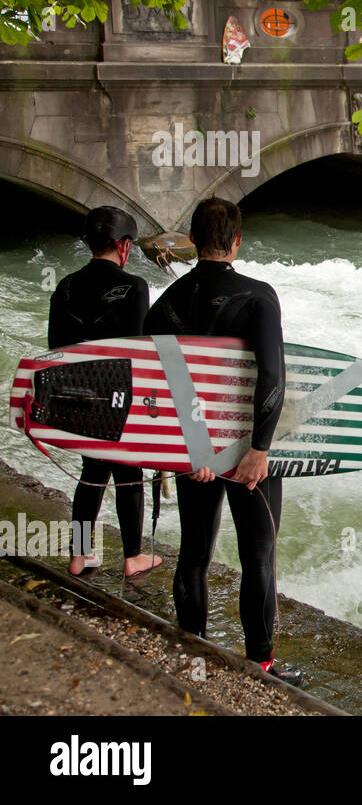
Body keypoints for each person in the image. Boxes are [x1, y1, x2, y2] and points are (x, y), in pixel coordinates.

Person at [142, 198, 298, 684]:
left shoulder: (164, 304)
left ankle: (192, 653)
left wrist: (184, 453)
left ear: (190, 239)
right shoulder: (257, 297)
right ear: (237, 241)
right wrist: (259, 449)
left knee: (193, 553)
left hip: (194, 452)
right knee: (258, 557)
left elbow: (156, 389)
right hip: (245, 450)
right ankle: (261, 665)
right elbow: (271, 378)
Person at [48, 207, 162, 579]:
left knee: (91, 471)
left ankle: (80, 555)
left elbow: (55, 351)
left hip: (77, 396)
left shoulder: (64, 286)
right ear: (124, 245)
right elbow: (139, 351)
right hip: (119, 395)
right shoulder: (134, 287)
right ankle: (132, 557)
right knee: (129, 471)